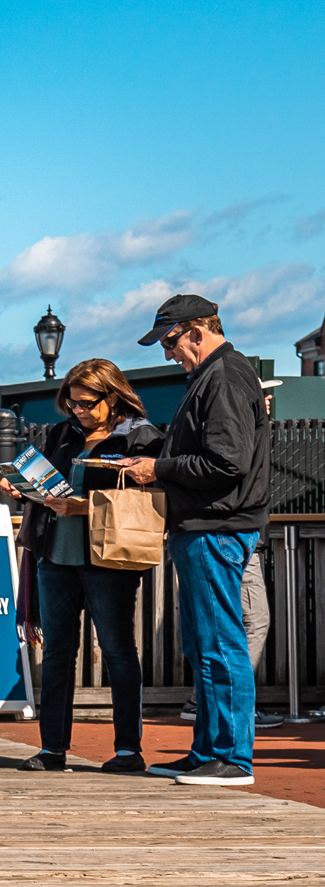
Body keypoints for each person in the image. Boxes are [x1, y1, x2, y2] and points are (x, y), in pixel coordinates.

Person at [120, 294, 272, 786]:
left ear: (195, 330)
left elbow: (228, 462)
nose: (167, 354)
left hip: (216, 527)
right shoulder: (218, 375)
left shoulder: (223, 376)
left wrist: (156, 467)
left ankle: (230, 756)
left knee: (219, 644)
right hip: (208, 526)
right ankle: (210, 750)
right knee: (205, 643)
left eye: (169, 342)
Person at [2, 360, 162, 774]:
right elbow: (50, 488)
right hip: (55, 555)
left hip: (109, 559)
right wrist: (22, 489)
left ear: (113, 395)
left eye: (87, 404)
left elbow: (149, 503)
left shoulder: (141, 438)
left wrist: (84, 506)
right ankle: (53, 748)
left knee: (118, 651)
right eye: (71, 404)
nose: (78, 412)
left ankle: (128, 750)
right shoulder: (62, 433)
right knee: (57, 652)